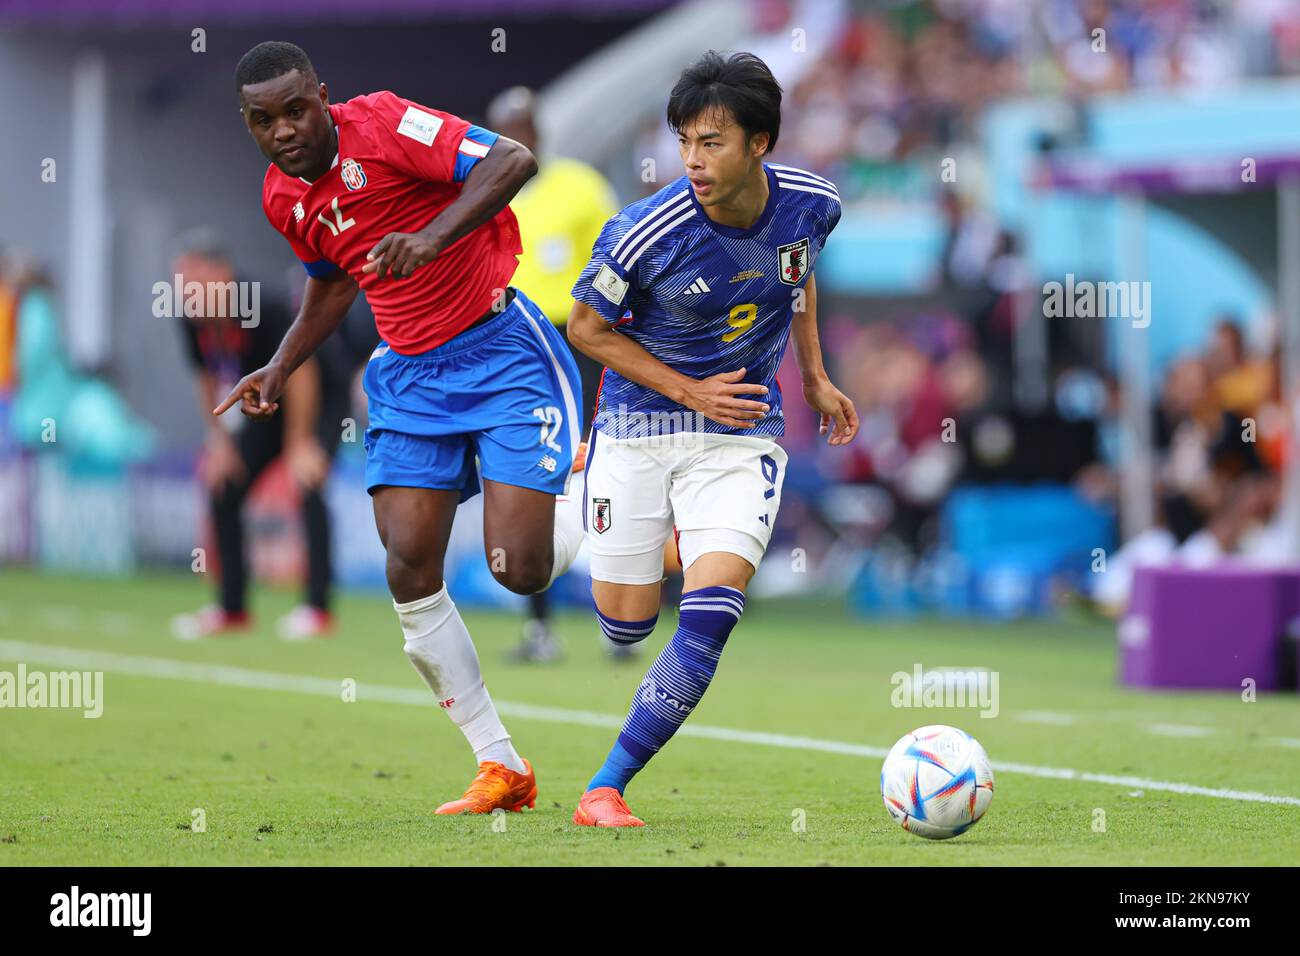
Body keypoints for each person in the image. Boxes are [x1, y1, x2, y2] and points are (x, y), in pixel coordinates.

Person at [218, 41, 587, 815]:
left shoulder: (384, 124)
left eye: (295, 109)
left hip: (499, 348)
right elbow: (331, 282)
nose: (284, 129)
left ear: (324, 94)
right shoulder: (282, 198)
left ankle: (598, 488)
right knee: (407, 565)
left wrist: (434, 236)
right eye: (264, 120)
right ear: (249, 126)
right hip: (411, 376)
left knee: (520, 570)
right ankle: (501, 765)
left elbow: (512, 159)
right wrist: (280, 367)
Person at [565, 51, 859, 827]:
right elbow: (586, 327)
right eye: (686, 141)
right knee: (624, 624)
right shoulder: (643, 232)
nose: (692, 160)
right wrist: (688, 389)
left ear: (760, 142)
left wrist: (817, 376)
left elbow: (795, 272)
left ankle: (606, 787)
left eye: (712, 142)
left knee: (712, 612)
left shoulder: (813, 205)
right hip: (636, 424)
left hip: (740, 434)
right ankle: (601, 502)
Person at [486, 85, 619, 663]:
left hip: (579, 341)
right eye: (510, 125)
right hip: (515, 346)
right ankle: (540, 628)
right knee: (534, 472)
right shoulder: (483, 190)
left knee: (605, 467)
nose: (522, 133)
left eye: (527, 123)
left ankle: (619, 617)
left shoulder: (581, 187)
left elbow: (621, 257)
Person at [169, 231, 348, 640]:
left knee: (307, 484)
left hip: (318, 395)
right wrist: (220, 443)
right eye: (179, 280)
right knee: (224, 486)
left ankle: (317, 610)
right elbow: (206, 378)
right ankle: (232, 609)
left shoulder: (259, 303)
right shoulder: (191, 320)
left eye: (192, 278)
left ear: (222, 274)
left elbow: (302, 371)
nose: (184, 290)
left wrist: (299, 443)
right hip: (265, 403)